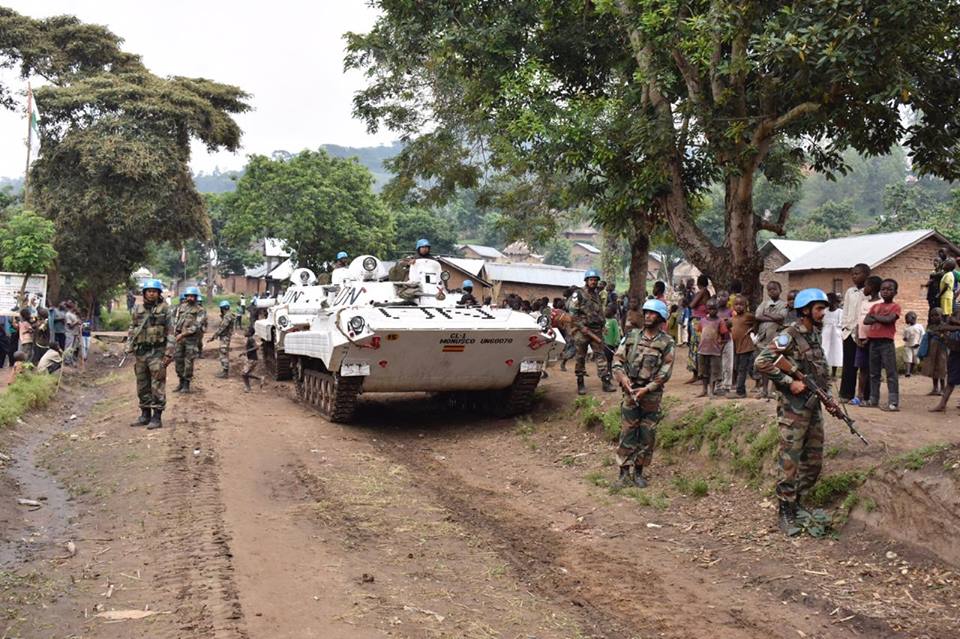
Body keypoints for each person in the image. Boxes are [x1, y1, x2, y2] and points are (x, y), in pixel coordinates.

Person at [754, 288, 831, 534]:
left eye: (823, 308)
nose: (823, 313)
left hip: (813, 405)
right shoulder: (789, 335)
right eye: (819, 309)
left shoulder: (815, 336)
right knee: (790, 461)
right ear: (806, 310)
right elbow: (762, 361)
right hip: (793, 409)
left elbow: (818, 369)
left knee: (813, 459)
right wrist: (790, 383)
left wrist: (826, 396)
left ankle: (799, 502)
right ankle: (785, 510)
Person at [610, 299, 675, 489]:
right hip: (630, 392)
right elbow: (617, 360)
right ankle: (623, 473)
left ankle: (639, 472)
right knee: (628, 431)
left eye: (652, 313)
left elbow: (666, 371)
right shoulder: (631, 336)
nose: (647, 316)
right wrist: (623, 379)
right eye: (646, 312)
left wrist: (647, 389)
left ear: (661, 317)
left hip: (651, 395)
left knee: (647, 434)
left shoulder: (667, 342)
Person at [126, 279, 175, 430]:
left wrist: (168, 353)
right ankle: (145, 414)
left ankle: (157, 417)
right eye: (149, 291)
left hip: (157, 352)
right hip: (141, 352)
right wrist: (129, 345)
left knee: (157, 384)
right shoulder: (137, 308)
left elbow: (171, 332)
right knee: (142, 384)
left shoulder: (165, 309)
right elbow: (132, 328)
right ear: (144, 293)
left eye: (154, 291)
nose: (151, 293)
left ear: (159, 293)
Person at [568, 270, 613, 395]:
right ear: (586, 281)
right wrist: (581, 327)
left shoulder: (597, 295)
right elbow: (572, 313)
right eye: (591, 279)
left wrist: (603, 324)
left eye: (595, 280)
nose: (593, 282)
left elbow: (599, 312)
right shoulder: (579, 294)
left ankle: (605, 381)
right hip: (582, 331)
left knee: (601, 355)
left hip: (596, 330)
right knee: (580, 357)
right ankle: (580, 382)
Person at [863, 278, 901, 411]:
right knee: (874, 373)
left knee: (891, 373)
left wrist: (876, 317)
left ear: (895, 292)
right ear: (880, 291)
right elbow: (866, 321)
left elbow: (889, 319)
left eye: (889, 289)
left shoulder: (895, 307)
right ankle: (874, 399)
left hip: (886, 343)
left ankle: (893, 402)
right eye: (883, 289)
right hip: (873, 342)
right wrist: (879, 318)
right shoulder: (875, 306)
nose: (886, 291)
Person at [852, 276, 882, 405]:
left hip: (873, 341)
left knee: (874, 370)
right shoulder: (864, 303)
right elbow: (860, 321)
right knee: (862, 369)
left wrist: (869, 338)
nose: (864, 288)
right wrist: (858, 337)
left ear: (873, 288)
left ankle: (872, 397)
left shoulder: (880, 304)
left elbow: (877, 324)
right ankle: (859, 396)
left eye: (867, 286)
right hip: (861, 340)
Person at [173, 287, 203, 393]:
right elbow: (174, 320)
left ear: (196, 297)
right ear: (186, 297)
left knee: (189, 362)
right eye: (188, 296)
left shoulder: (200, 310)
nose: (190, 298)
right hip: (179, 339)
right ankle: (180, 382)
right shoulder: (180, 308)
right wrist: (175, 331)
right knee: (178, 361)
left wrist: (183, 334)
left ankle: (186, 384)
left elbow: (196, 326)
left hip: (191, 340)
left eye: (192, 296)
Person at [929, 308, 960, 413]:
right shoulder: (955, 312)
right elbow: (943, 327)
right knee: (951, 380)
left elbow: (947, 326)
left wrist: (954, 324)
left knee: (951, 381)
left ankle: (943, 404)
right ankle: (942, 404)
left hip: (956, 350)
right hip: (955, 352)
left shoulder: (954, 317)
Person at [696, 298, 727, 398]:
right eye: (710, 309)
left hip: (715, 351)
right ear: (707, 309)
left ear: (717, 309)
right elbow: (699, 332)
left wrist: (721, 346)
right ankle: (704, 389)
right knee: (703, 371)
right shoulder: (703, 320)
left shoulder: (720, 321)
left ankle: (711, 391)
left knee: (714, 371)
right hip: (702, 350)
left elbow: (725, 335)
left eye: (714, 309)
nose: (712, 311)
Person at [728, 295, 756, 399]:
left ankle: (740, 391)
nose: (738, 306)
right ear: (733, 306)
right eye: (736, 304)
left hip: (746, 347)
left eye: (741, 304)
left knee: (742, 369)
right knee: (738, 368)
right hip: (737, 347)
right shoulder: (733, 318)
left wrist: (752, 329)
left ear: (745, 306)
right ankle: (740, 389)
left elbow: (756, 321)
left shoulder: (748, 316)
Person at [686, 274, 712, 383]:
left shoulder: (703, 292)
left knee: (696, 347)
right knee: (697, 347)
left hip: (699, 322)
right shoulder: (706, 292)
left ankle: (699, 374)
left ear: (699, 283)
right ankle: (699, 374)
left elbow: (692, 305)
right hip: (699, 321)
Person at [921, 308, 948, 394]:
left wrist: (937, 334)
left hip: (942, 351)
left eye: (936, 315)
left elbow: (946, 338)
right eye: (932, 315)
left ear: (941, 316)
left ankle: (943, 389)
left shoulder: (945, 326)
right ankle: (935, 388)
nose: (934, 317)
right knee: (933, 368)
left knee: (941, 368)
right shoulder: (930, 326)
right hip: (932, 351)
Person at [208, 300, 236, 378]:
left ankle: (225, 372)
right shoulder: (229, 315)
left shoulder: (227, 316)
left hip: (225, 337)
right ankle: (224, 371)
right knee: (224, 353)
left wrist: (213, 336)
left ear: (222, 308)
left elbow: (222, 328)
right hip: (225, 336)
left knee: (223, 354)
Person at [715, 289, 733, 395]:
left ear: (728, 299)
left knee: (728, 363)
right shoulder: (714, 311)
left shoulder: (730, 311)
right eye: (718, 296)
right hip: (716, 340)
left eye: (724, 296)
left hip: (727, 338)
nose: (720, 298)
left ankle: (727, 385)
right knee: (717, 363)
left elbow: (732, 323)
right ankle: (718, 385)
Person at [822, 293, 843, 376]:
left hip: (836, 335)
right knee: (825, 351)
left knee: (835, 353)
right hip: (825, 335)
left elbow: (841, 324)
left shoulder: (839, 312)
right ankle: (825, 371)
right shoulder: (825, 311)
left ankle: (833, 373)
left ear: (834, 301)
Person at [902, 311, 924, 377]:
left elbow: (922, 335)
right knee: (908, 359)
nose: (906, 320)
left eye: (907, 318)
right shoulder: (906, 328)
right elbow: (904, 337)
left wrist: (919, 343)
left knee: (915, 359)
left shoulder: (919, 326)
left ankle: (912, 370)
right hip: (908, 346)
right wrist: (905, 338)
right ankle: (907, 372)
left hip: (916, 346)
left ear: (913, 318)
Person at [241, 326, 262, 392]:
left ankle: (260, 378)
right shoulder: (249, 339)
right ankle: (248, 388)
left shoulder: (251, 339)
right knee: (245, 374)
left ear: (250, 333)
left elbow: (256, 347)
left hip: (252, 359)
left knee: (244, 373)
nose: (244, 332)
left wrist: (246, 351)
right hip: (251, 359)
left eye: (246, 331)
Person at [602, 305, 621, 373]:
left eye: (608, 310)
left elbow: (616, 332)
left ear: (613, 313)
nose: (606, 311)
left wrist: (617, 342)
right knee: (604, 359)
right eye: (605, 310)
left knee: (609, 359)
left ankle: (609, 372)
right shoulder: (603, 320)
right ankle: (606, 371)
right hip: (603, 343)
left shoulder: (614, 321)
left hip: (610, 344)